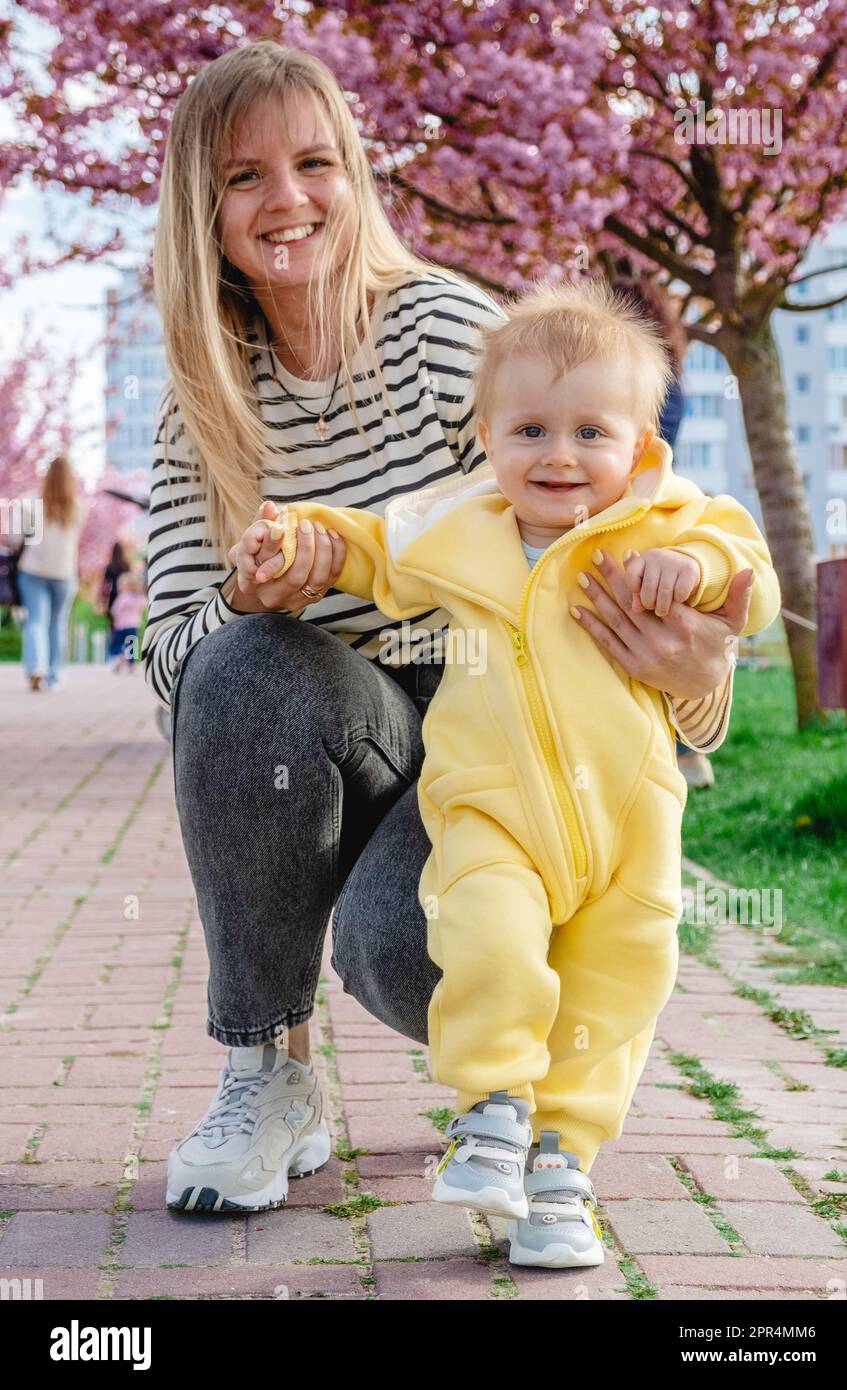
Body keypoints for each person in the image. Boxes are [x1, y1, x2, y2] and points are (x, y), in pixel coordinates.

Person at [140, 40, 754, 1234]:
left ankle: (532, 1087)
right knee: (243, 667)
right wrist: (253, 597)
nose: (288, 202)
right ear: (200, 209)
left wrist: (698, 687)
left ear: (354, 176)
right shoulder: (200, 404)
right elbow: (171, 662)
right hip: (320, 715)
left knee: (405, 956)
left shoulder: (435, 333)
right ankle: (269, 1070)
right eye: (243, 178)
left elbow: (604, 535)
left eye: (315, 163)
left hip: (491, 736)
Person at [252, 277, 780, 1266]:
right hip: (490, 813)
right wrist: (302, 539)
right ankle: (491, 1109)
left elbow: (744, 567)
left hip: (628, 832)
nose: (560, 455)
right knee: (486, 941)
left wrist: (698, 575)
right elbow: (374, 546)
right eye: (530, 429)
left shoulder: (663, 523)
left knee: (613, 996)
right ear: (488, 438)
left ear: (641, 447)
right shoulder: (463, 529)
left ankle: (561, 1174)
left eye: (591, 431)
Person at [610, 276, 716, 790]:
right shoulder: (674, 376)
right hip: (661, 506)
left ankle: (671, 747)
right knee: (664, 627)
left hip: (629, 510)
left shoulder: (635, 379)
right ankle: (684, 750)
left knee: (644, 625)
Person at [16, 454, 84, 692]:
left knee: (35, 620)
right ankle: (54, 676)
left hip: (32, 570)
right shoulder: (77, 507)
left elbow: (16, 539)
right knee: (57, 624)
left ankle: (37, 668)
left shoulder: (28, 502)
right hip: (64, 574)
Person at [110, 569, 147, 672]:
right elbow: (145, 605)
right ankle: (132, 664)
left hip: (121, 626)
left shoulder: (122, 597)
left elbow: (114, 610)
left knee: (118, 644)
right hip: (133, 626)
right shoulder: (139, 598)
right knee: (131, 645)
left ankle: (119, 657)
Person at [102, 541, 131, 663]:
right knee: (130, 629)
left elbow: (105, 586)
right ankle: (129, 658)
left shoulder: (110, 566)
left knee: (115, 629)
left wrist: (103, 600)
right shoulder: (127, 566)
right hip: (127, 597)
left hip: (113, 598)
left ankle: (114, 656)